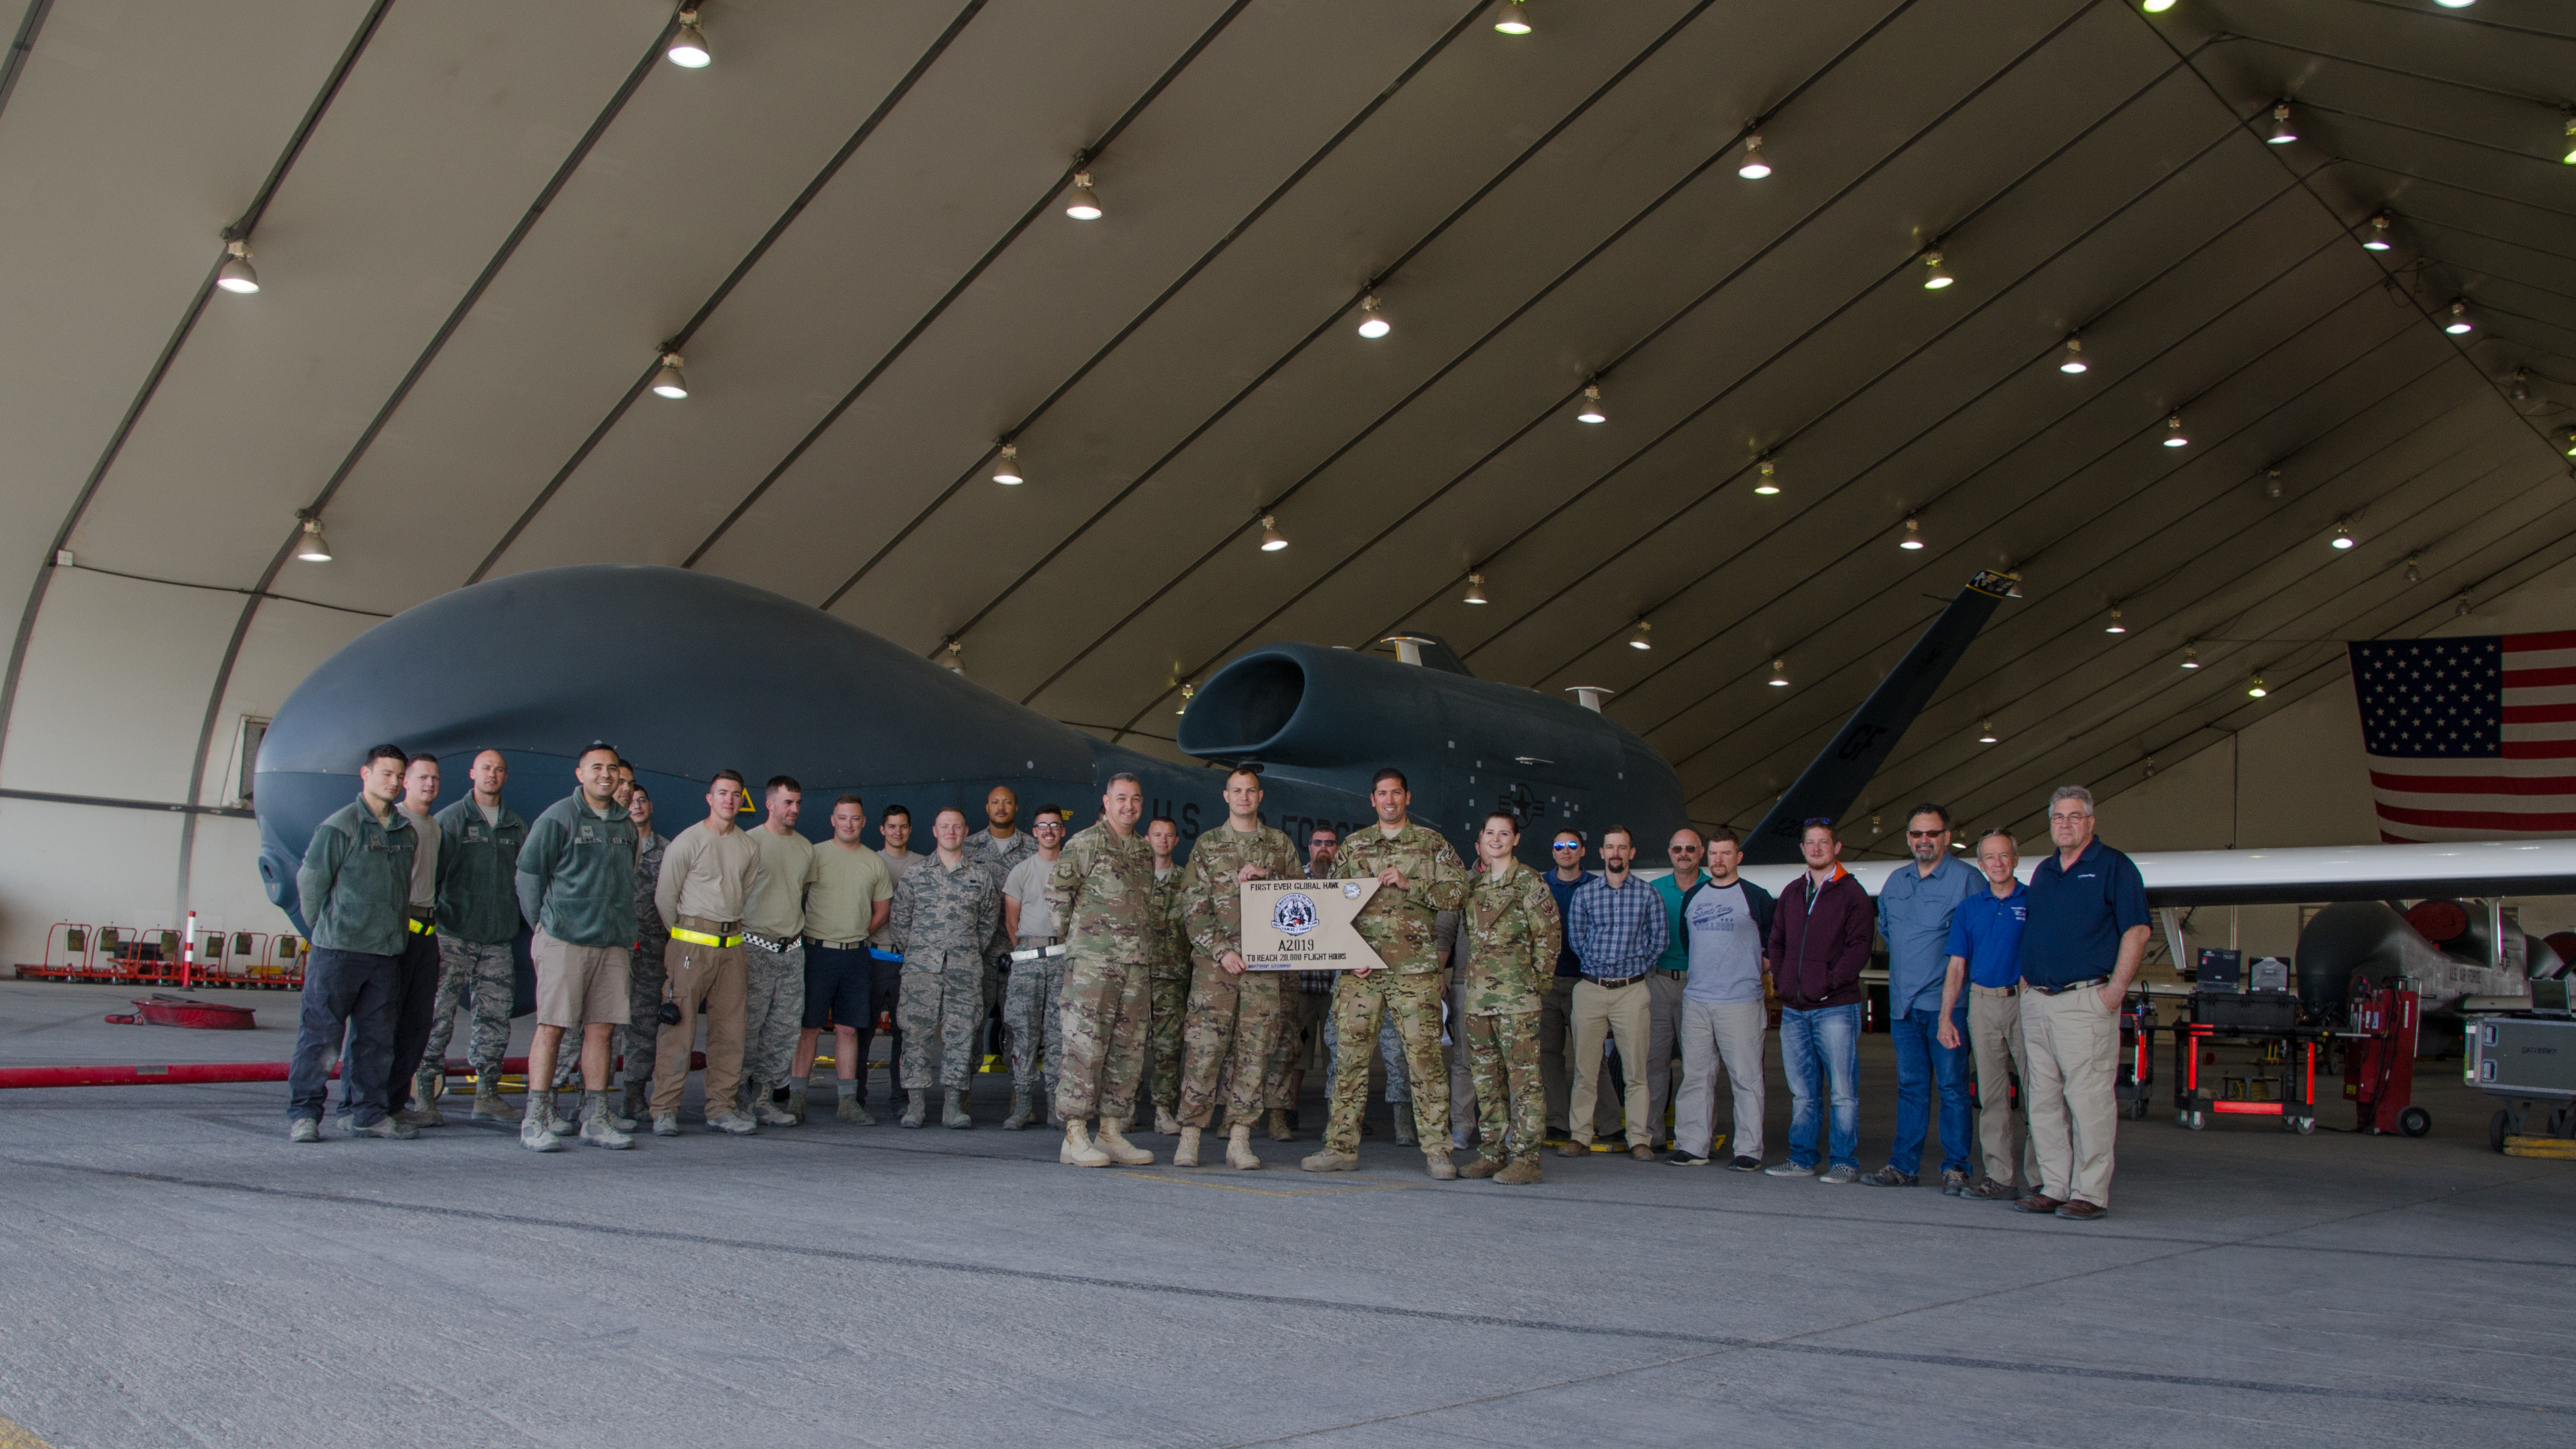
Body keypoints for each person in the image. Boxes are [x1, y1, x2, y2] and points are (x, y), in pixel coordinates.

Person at [1301, 769, 1469, 1180]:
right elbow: (1329, 904)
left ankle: (1437, 1151)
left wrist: (1412, 885)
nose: (1390, 800)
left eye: (1396, 793)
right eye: (1382, 793)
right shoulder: (1355, 845)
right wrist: (1347, 954)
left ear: (1407, 797)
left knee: (1424, 1060)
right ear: (1372, 800)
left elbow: (1459, 891)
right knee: (1348, 1060)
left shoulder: (1432, 845)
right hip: (1361, 972)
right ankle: (1340, 1147)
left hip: (1414, 971)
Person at [2014, 787, 2149, 1221]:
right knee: (2043, 1099)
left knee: (2088, 1099)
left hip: (2084, 1000)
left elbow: (2137, 931)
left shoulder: (2114, 867)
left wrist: (2113, 993)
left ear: (2090, 822)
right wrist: (2025, 983)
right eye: (2058, 817)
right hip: (2038, 1002)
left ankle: (2089, 1192)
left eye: (2074, 817)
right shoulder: (2044, 872)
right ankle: (2053, 1185)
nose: (2065, 824)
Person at [286, 744, 420, 1142]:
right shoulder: (339, 826)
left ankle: (367, 1113)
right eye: (386, 774)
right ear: (365, 775)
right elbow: (311, 886)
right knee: (321, 1037)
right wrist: (328, 931)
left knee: (377, 1040)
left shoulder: (405, 831)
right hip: (338, 951)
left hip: (385, 954)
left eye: (399, 776)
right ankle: (305, 1114)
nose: (394, 782)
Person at [513, 741, 641, 1151]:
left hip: (612, 943)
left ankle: (595, 1116)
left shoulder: (624, 824)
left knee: (602, 1030)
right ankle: (535, 1117)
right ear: (580, 773)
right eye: (597, 767)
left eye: (612, 769)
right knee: (552, 1027)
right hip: (565, 940)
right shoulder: (559, 817)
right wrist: (545, 926)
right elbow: (529, 875)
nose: (606, 775)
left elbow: (628, 876)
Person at [1173, 767, 1301, 1170]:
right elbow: (1193, 908)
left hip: (1264, 971)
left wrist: (1270, 878)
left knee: (1254, 1053)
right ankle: (1190, 1137)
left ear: (1260, 796)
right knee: (1204, 1051)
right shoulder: (1208, 845)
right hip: (1217, 971)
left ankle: (1240, 1139)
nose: (1243, 797)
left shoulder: (1278, 844)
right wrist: (1221, 950)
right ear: (1225, 796)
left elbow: (1302, 900)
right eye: (1236, 791)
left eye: (1250, 791)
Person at [1864, 804, 1983, 1191]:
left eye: (1931, 833)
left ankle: (1955, 1168)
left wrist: (1953, 1007)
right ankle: (1903, 1166)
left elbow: (1977, 943)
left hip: (1946, 1007)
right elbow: (1888, 931)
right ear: (1908, 838)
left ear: (1946, 837)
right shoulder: (1896, 883)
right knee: (1911, 1087)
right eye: (1916, 834)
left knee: (1951, 1087)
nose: (1923, 840)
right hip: (1903, 1006)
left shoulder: (1967, 879)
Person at [1047, 775, 1158, 1167]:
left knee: (1127, 1051)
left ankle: (1111, 1132)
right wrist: (1079, 944)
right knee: (1085, 1046)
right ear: (1107, 801)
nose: (1129, 806)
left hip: (1135, 965)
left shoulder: (1144, 851)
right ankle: (1074, 1133)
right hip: (1094, 965)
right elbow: (1059, 896)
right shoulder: (1085, 842)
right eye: (1121, 798)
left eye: (1136, 799)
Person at [650, 769, 763, 1137]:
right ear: (709, 798)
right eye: (722, 793)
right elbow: (665, 897)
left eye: (735, 794)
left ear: (742, 800)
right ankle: (665, 1108)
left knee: (730, 1032)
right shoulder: (688, 841)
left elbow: (741, 894)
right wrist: (684, 937)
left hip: (732, 947)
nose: (729, 800)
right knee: (677, 1030)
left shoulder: (748, 846)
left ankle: (721, 1107)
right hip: (691, 945)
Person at [1764, 820, 1873, 1183]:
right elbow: (1776, 941)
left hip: (1835, 1007)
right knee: (1802, 1093)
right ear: (1802, 848)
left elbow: (1860, 947)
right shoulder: (1793, 892)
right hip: (1795, 1010)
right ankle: (1801, 1157)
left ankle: (1844, 1161)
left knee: (1842, 1090)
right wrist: (1782, 980)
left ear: (1836, 846)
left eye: (1822, 842)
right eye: (1809, 843)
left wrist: (1828, 983)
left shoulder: (1852, 893)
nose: (1816, 848)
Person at [420, 748, 525, 1125]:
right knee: (438, 1016)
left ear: (505, 776)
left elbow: (524, 880)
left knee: (495, 1019)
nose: (492, 775)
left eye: (499, 769)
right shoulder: (452, 820)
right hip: (453, 935)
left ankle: (487, 1094)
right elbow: (430, 878)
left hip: (497, 939)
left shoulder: (515, 826)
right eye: (486, 768)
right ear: (472, 773)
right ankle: (423, 1094)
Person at [1458, 809, 1560, 1184]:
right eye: (1489, 833)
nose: (1496, 839)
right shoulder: (1474, 886)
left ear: (1515, 839)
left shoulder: (1528, 882)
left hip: (1518, 999)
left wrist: (1536, 984)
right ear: (1481, 839)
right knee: (1485, 1079)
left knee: (1524, 1081)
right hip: (1479, 1000)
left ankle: (1526, 1157)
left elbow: (1549, 936)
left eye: (1504, 833)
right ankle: (1491, 1151)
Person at [1938, 830, 2038, 1201]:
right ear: (1980, 865)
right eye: (1989, 858)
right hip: (1981, 1002)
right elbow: (1956, 966)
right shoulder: (1969, 907)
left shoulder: (2033, 900)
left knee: (2039, 1091)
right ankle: (1999, 1176)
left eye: (2003, 856)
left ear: (2014, 859)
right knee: (1992, 1095)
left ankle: (2043, 1178)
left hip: (2025, 1001)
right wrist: (1945, 1015)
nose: (1997, 863)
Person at [890, 806, 1003, 1130]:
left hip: (964, 972)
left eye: (957, 827)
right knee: (915, 1036)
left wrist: (963, 953)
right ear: (935, 832)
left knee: (962, 1037)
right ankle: (915, 1107)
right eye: (944, 827)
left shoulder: (980, 878)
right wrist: (924, 954)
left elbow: (986, 927)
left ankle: (953, 1107)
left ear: (966, 832)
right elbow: (901, 924)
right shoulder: (915, 875)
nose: (951, 832)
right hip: (921, 973)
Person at [1667, 827, 1774, 1170]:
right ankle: (1693, 1145)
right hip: (1697, 1000)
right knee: (1696, 1075)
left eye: (1726, 854)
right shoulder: (1693, 896)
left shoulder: (1756, 897)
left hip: (1740, 1001)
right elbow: (1689, 942)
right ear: (1705, 857)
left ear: (1738, 857)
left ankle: (1748, 1150)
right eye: (1713, 854)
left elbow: (1773, 944)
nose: (1719, 860)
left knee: (1746, 1078)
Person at [1561, 825, 1667, 1160]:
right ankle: (1581, 1135)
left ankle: (1639, 1138)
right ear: (1602, 853)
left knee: (1637, 1070)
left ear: (1631, 853)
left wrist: (1631, 968)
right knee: (1585, 1069)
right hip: (1591, 987)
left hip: (1631, 990)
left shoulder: (1648, 895)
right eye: (1611, 847)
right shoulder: (1586, 895)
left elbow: (1659, 942)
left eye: (1623, 848)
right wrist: (1600, 967)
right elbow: (1576, 940)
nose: (1616, 853)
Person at [792, 794, 894, 1123]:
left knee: (848, 1030)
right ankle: (796, 1099)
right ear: (833, 820)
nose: (849, 824)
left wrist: (855, 931)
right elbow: (797, 896)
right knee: (808, 1028)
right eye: (843, 818)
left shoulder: (874, 862)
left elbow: (882, 909)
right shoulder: (815, 854)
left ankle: (848, 1103)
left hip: (855, 956)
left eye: (855, 819)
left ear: (864, 823)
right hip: (816, 953)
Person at [737, 776, 812, 1127]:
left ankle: (765, 1099)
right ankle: (737, 1098)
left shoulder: (804, 848)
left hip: (792, 952)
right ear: (769, 804)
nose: (795, 809)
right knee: (748, 1028)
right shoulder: (748, 843)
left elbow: (803, 893)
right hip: (754, 948)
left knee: (783, 1031)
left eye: (798, 803)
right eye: (788, 803)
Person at [1259, 825, 1340, 1140]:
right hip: (1301, 984)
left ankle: (1340, 1114)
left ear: (1337, 848)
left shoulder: (1346, 881)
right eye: (1318, 843)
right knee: (1296, 1053)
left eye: (1330, 843)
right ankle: (1288, 1110)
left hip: (1336, 985)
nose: (1324, 848)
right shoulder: (1295, 880)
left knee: (1340, 1053)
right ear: (1309, 847)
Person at [382, 753, 450, 1128]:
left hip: (427, 932)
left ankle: (395, 1102)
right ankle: (369, 1104)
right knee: (383, 1021)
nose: (430, 784)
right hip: (397, 932)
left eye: (435, 778)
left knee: (417, 1022)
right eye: (422, 777)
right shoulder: (395, 822)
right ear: (405, 781)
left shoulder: (434, 827)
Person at [1539, 828, 1612, 1140]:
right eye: (1559, 846)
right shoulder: (1540, 885)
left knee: (1593, 1056)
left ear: (1583, 851)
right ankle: (1558, 1119)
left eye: (1572, 845)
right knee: (1548, 1054)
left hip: (1585, 981)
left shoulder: (1598, 886)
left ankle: (1610, 1123)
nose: (1565, 850)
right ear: (1553, 852)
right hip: (1548, 982)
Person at [998, 806, 1070, 1128]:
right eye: (1043, 826)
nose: (1049, 831)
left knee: (1059, 1034)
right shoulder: (1021, 871)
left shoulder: (1072, 870)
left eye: (1055, 825)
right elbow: (1011, 922)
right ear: (1035, 831)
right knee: (1024, 1033)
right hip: (1028, 959)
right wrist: (1026, 953)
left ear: (1063, 831)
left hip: (1062, 957)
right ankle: (1023, 1105)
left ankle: (1056, 1104)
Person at [1643, 827, 1706, 1151]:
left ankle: (1694, 1137)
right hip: (1659, 982)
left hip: (1700, 986)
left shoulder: (1714, 888)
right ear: (1670, 853)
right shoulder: (1654, 890)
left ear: (1701, 852)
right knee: (1654, 1063)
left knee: (1698, 1066)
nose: (1684, 854)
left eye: (1690, 849)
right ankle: (1652, 1134)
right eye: (1678, 849)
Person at [621, 783, 669, 1123]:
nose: (636, 807)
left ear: (650, 806)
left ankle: (634, 1094)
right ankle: (588, 1097)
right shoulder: (613, 844)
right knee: (600, 1024)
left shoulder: (667, 851)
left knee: (644, 1025)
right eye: (631, 802)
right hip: (614, 945)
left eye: (642, 802)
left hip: (652, 949)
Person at [1144, 815, 1191, 1135]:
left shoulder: (1187, 880)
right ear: (1147, 840)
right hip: (1135, 973)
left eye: (1169, 836)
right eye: (1157, 835)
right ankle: (1120, 1112)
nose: (1163, 840)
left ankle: (1163, 1110)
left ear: (1176, 841)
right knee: (1127, 1045)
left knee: (1168, 1048)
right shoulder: (1133, 878)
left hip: (1172, 977)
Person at [867, 804, 918, 1105]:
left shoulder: (924, 865)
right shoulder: (869, 863)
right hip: (875, 958)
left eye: (903, 826)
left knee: (906, 1034)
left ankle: (901, 1097)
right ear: (882, 830)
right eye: (892, 827)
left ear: (910, 830)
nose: (897, 832)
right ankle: (857, 1098)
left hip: (909, 962)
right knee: (864, 1031)